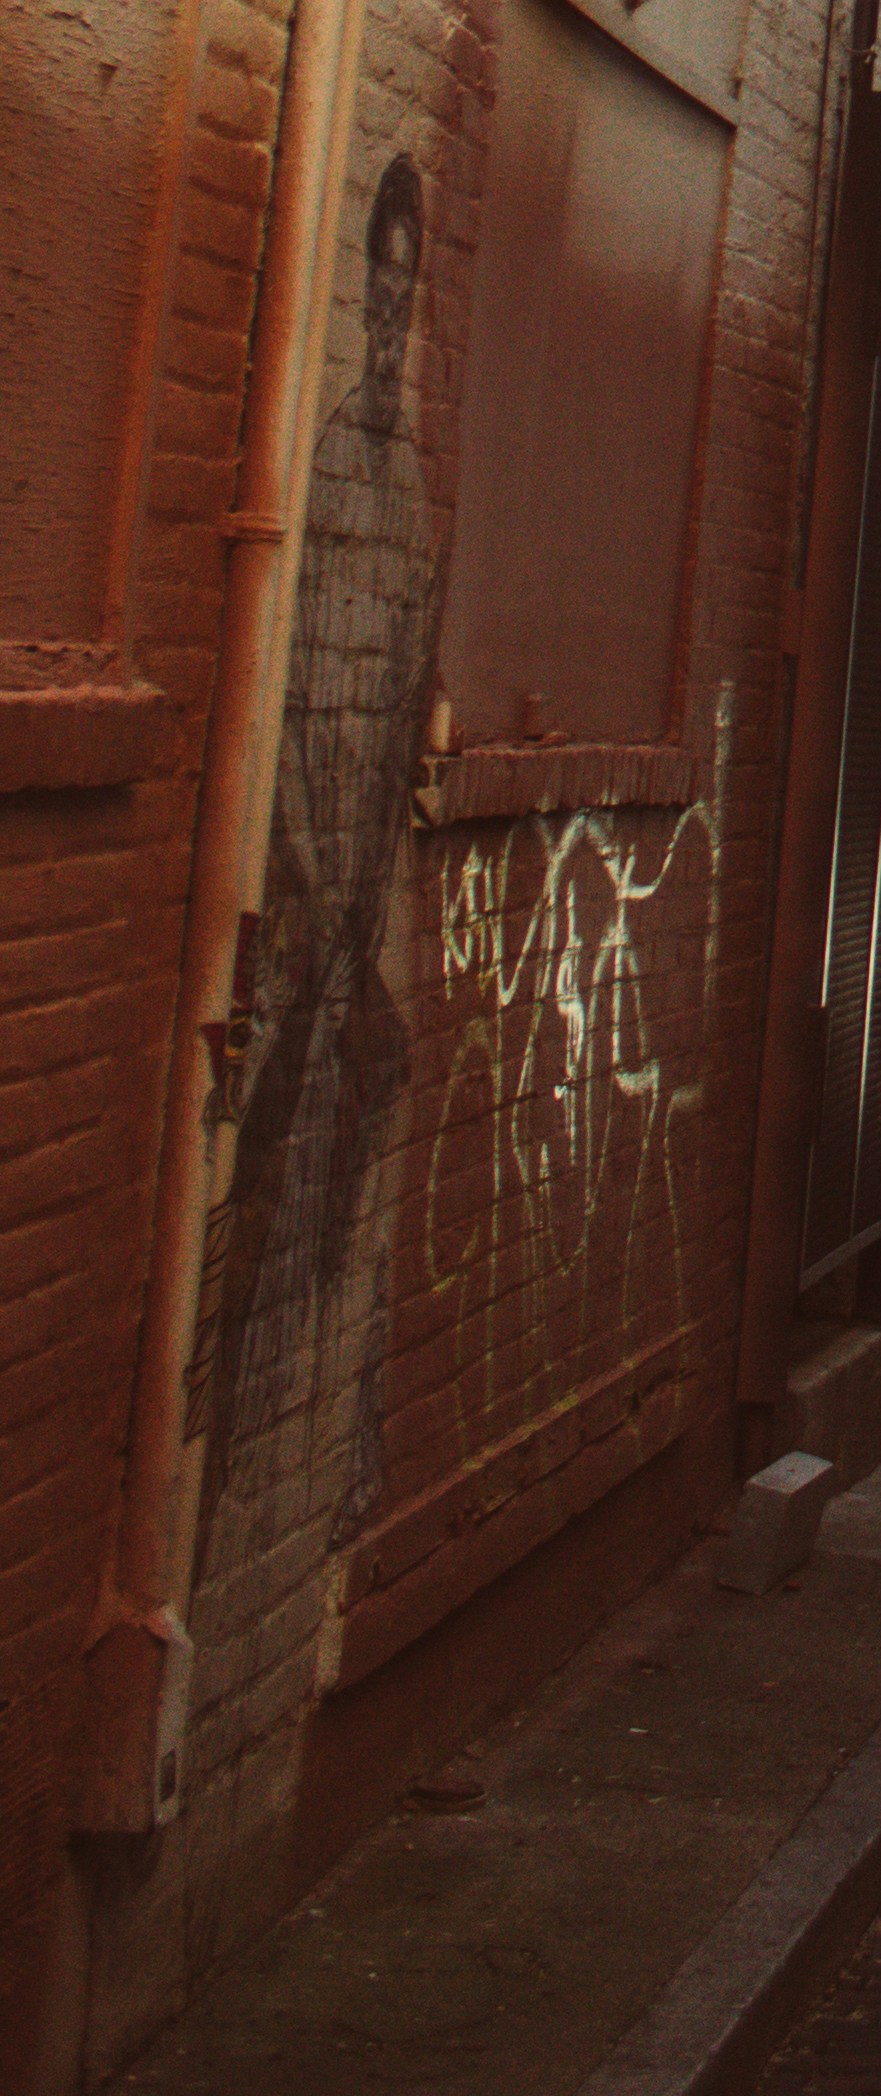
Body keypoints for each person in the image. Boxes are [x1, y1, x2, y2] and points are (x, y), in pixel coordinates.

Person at [200, 156, 445, 1573]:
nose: (395, 315)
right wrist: (310, 900)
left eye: (413, 293)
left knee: (375, 1092)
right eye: (384, 286)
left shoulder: (405, 491)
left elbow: (400, 694)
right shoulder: (316, 472)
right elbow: (297, 699)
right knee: (279, 1138)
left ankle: (335, 1436)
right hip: (305, 904)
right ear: (357, 292)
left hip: (350, 909)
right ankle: (239, 1420)